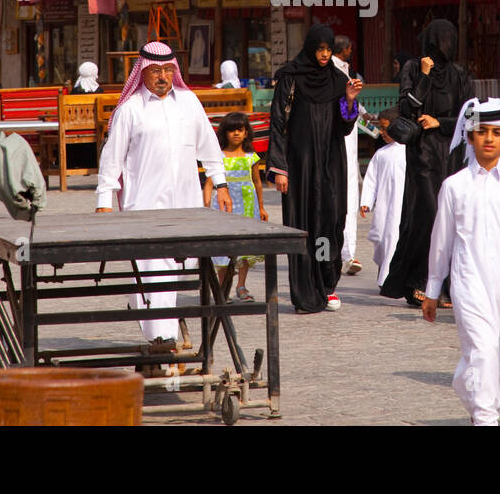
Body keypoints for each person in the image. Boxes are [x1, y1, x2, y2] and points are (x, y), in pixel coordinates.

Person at [96, 42, 232, 351]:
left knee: (174, 267)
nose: (162, 76)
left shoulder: (188, 102)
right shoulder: (130, 109)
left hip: (184, 204)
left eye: (168, 70)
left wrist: (220, 184)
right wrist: (104, 200)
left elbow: (209, 147)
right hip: (144, 204)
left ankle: (159, 324)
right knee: (152, 267)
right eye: (156, 71)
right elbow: (112, 159)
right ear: (142, 72)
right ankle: (162, 338)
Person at [423, 97, 500, 426]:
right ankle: (485, 416)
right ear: (469, 137)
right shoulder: (454, 187)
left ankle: (477, 391)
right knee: (482, 351)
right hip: (468, 284)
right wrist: (433, 290)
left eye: (496, 132)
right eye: (481, 132)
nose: (488, 139)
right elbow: (442, 242)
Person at [266, 25, 362, 313]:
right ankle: (306, 291)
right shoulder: (291, 78)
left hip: (330, 163)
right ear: (310, 48)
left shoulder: (337, 79)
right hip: (300, 164)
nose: (323, 55)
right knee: (303, 224)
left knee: (330, 221)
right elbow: (278, 124)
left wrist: (348, 100)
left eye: (328, 50)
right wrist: (279, 168)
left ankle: (326, 284)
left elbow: (345, 127)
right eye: (319, 49)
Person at [381, 20, 473, 308]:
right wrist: (424, 75)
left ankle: (447, 285)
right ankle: (418, 281)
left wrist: (439, 122)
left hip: (451, 153)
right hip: (422, 153)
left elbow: (469, 116)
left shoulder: (459, 75)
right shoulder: (412, 68)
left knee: (452, 217)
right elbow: (407, 107)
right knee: (428, 216)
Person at [203, 112, 267, 301]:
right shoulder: (218, 157)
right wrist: (206, 207)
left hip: (248, 206)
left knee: (244, 246)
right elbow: (208, 184)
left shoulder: (251, 157)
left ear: (246, 132)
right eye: (232, 130)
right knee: (224, 247)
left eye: (240, 130)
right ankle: (223, 288)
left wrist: (262, 207)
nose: (236, 134)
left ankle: (241, 286)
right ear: (225, 133)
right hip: (224, 207)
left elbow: (257, 183)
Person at [359, 107, 407, 286]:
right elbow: (371, 180)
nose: (381, 132)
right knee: (381, 237)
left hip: (402, 205)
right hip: (384, 206)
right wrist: (366, 202)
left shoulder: (409, 151)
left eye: (386, 129)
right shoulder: (381, 154)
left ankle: (387, 279)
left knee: (394, 238)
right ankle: (384, 272)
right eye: (381, 128)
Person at [332, 34, 363, 276]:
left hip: (347, 139)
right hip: (337, 140)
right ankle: (340, 253)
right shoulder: (333, 74)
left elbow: (351, 106)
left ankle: (347, 254)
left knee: (348, 196)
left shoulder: (346, 73)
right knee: (342, 196)